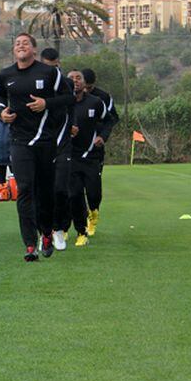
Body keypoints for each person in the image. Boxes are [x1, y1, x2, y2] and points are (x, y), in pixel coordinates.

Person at [0, 33, 74, 261]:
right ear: (14, 50)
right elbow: (0, 95)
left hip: (45, 141)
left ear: (34, 50)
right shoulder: (6, 74)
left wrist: (46, 103)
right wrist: (1, 111)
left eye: (25, 43)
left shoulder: (49, 73)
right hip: (19, 141)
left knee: (44, 192)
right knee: (26, 189)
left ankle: (46, 233)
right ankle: (30, 244)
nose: (21, 45)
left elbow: (68, 98)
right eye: (17, 43)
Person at [67, 69, 108, 247]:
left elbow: (109, 120)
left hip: (91, 156)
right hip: (70, 157)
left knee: (93, 193)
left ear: (85, 83)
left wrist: (102, 136)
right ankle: (81, 232)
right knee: (74, 195)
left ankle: (94, 212)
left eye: (78, 78)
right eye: (71, 78)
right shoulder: (61, 104)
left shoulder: (95, 102)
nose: (75, 81)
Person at [41, 48, 74, 251]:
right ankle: (44, 232)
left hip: (63, 143)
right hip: (41, 143)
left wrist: (75, 124)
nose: (52, 71)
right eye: (48, 67)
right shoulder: (34, 84)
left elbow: (72, 107)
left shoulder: (67, 84)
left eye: (55, 67)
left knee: (61, 189)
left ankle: (60, 229)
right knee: (42, 191)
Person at [81, 68, 118, 236]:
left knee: (93, 188)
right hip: (73, 150)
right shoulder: (70, 97)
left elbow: (112, 118)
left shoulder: (103, 97)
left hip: (95, 150)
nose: (85, 90)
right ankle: (79, 219)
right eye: (84, 86)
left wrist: (102, 136)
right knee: (73, 189)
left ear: (93, 85)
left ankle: (93, 214)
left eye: (89, 87)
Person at [0, 119, 11, 183]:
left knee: (14, 177)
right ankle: (2, 192)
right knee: (0, 179)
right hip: (0, 156)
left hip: (11, 155)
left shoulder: (12, 124)